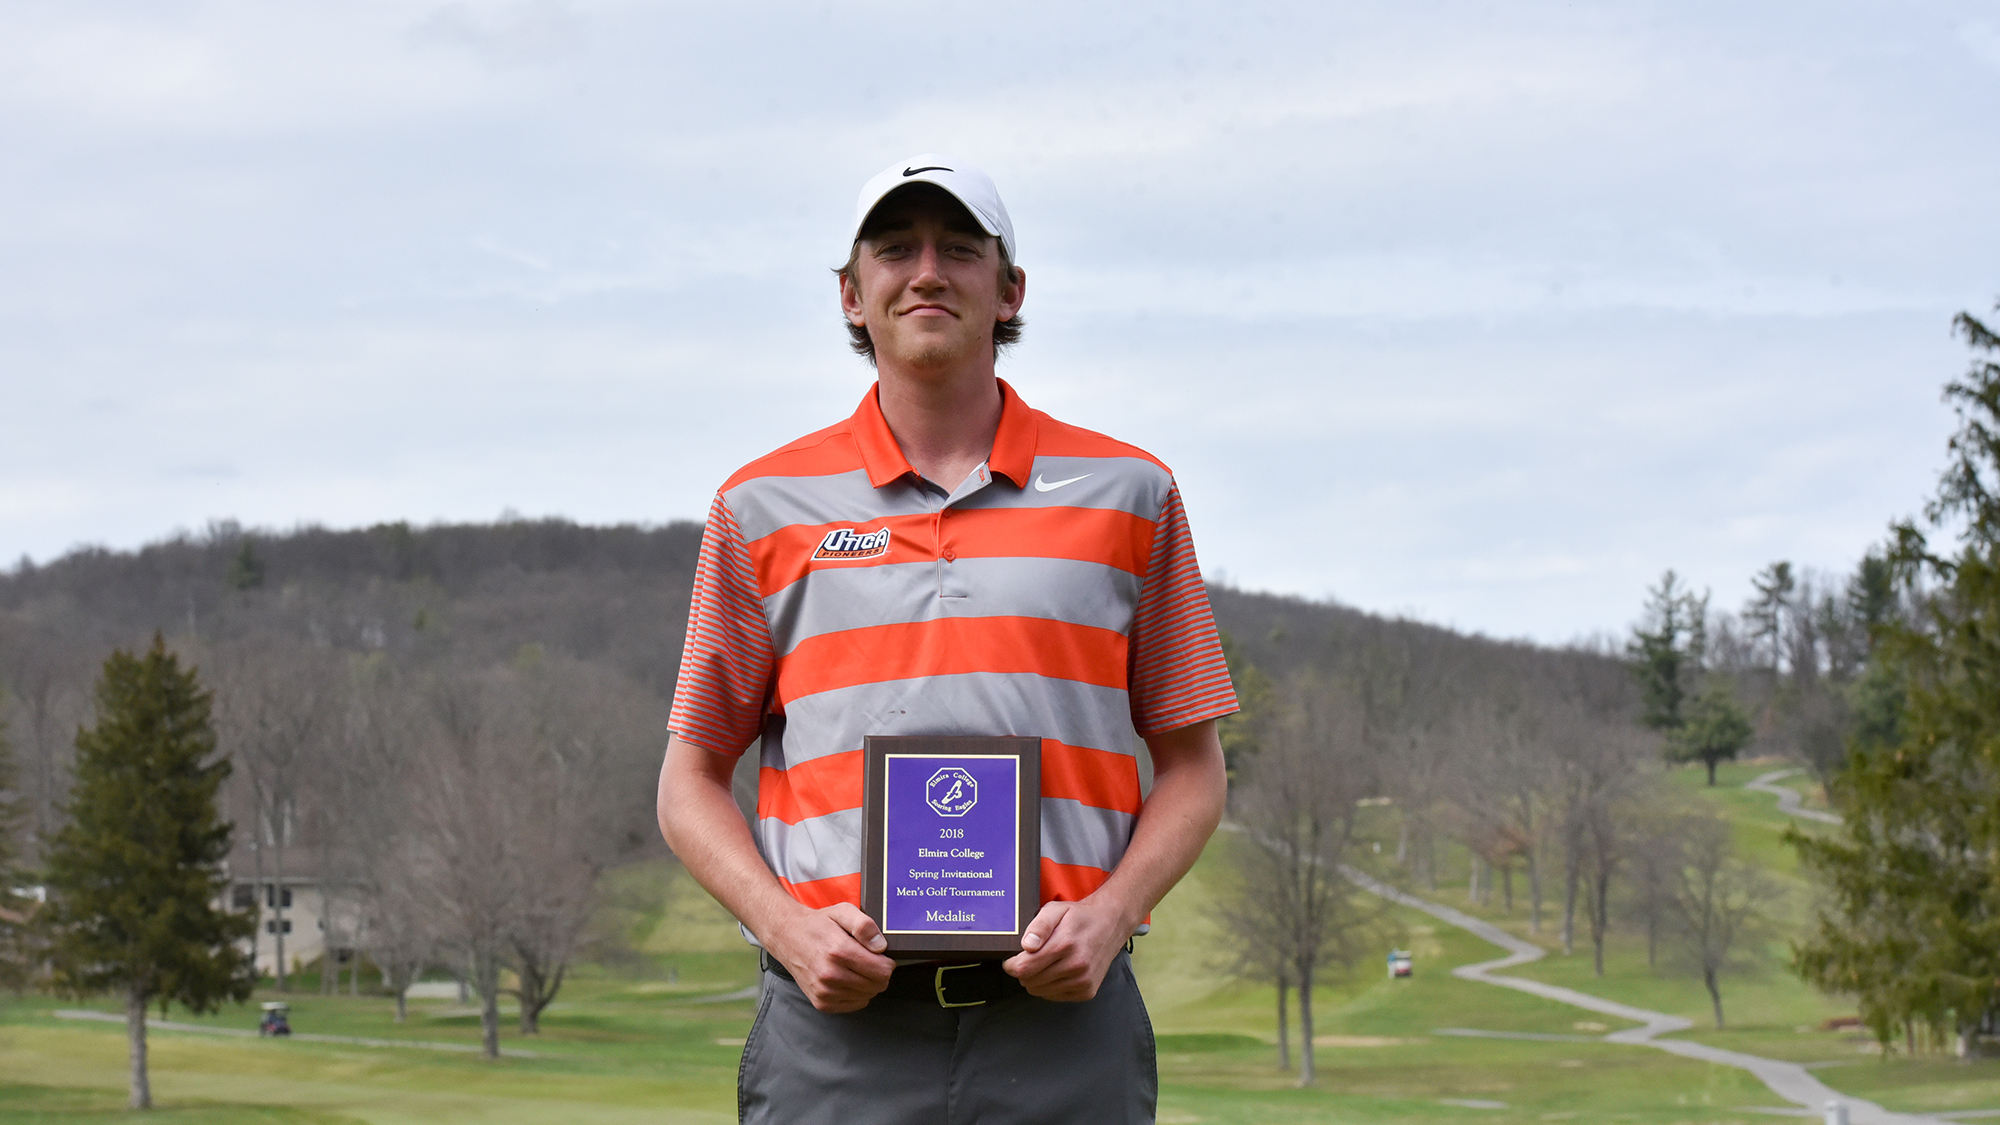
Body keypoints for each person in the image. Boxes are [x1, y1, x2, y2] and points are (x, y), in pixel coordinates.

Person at [656, 155, 1237, 1124]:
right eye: (894, 250)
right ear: (850, 296)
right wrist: (785, 929)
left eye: (959, 250)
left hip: (1061, 1029)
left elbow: (1192, 767)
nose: (926, 271)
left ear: (1009, 289)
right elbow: (688, 782)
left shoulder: (1129, 493)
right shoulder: (760, 506)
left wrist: (1110, 913)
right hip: (835, 1030)